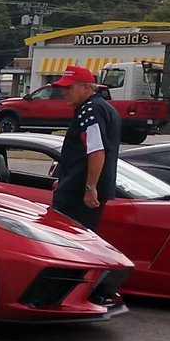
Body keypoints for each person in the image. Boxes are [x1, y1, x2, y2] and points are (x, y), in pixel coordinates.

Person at [50, 65, 119, 230]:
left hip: (77, 193)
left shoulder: (90, 110)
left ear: (86, 87)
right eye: (62, 88)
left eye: (69, 87)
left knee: (67, 237)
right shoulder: (102, 107)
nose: (64, 92)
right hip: (81, 190)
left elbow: (96, 150)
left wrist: (90, 187)